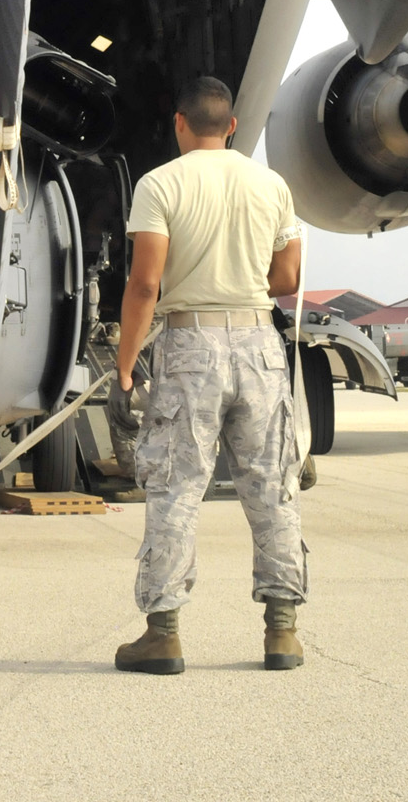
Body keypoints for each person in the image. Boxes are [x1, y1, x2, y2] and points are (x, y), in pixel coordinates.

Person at [113, 74, 305, 677]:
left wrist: (124, 367)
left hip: (190, 343)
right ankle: (282, 634)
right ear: (232, 126)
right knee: (271, 488)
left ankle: (163, 635)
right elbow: (288, 279)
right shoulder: (271, 185)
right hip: (258, 344)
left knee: (175, 489)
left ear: (179, 123)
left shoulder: (160, 184)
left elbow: (146, 283)